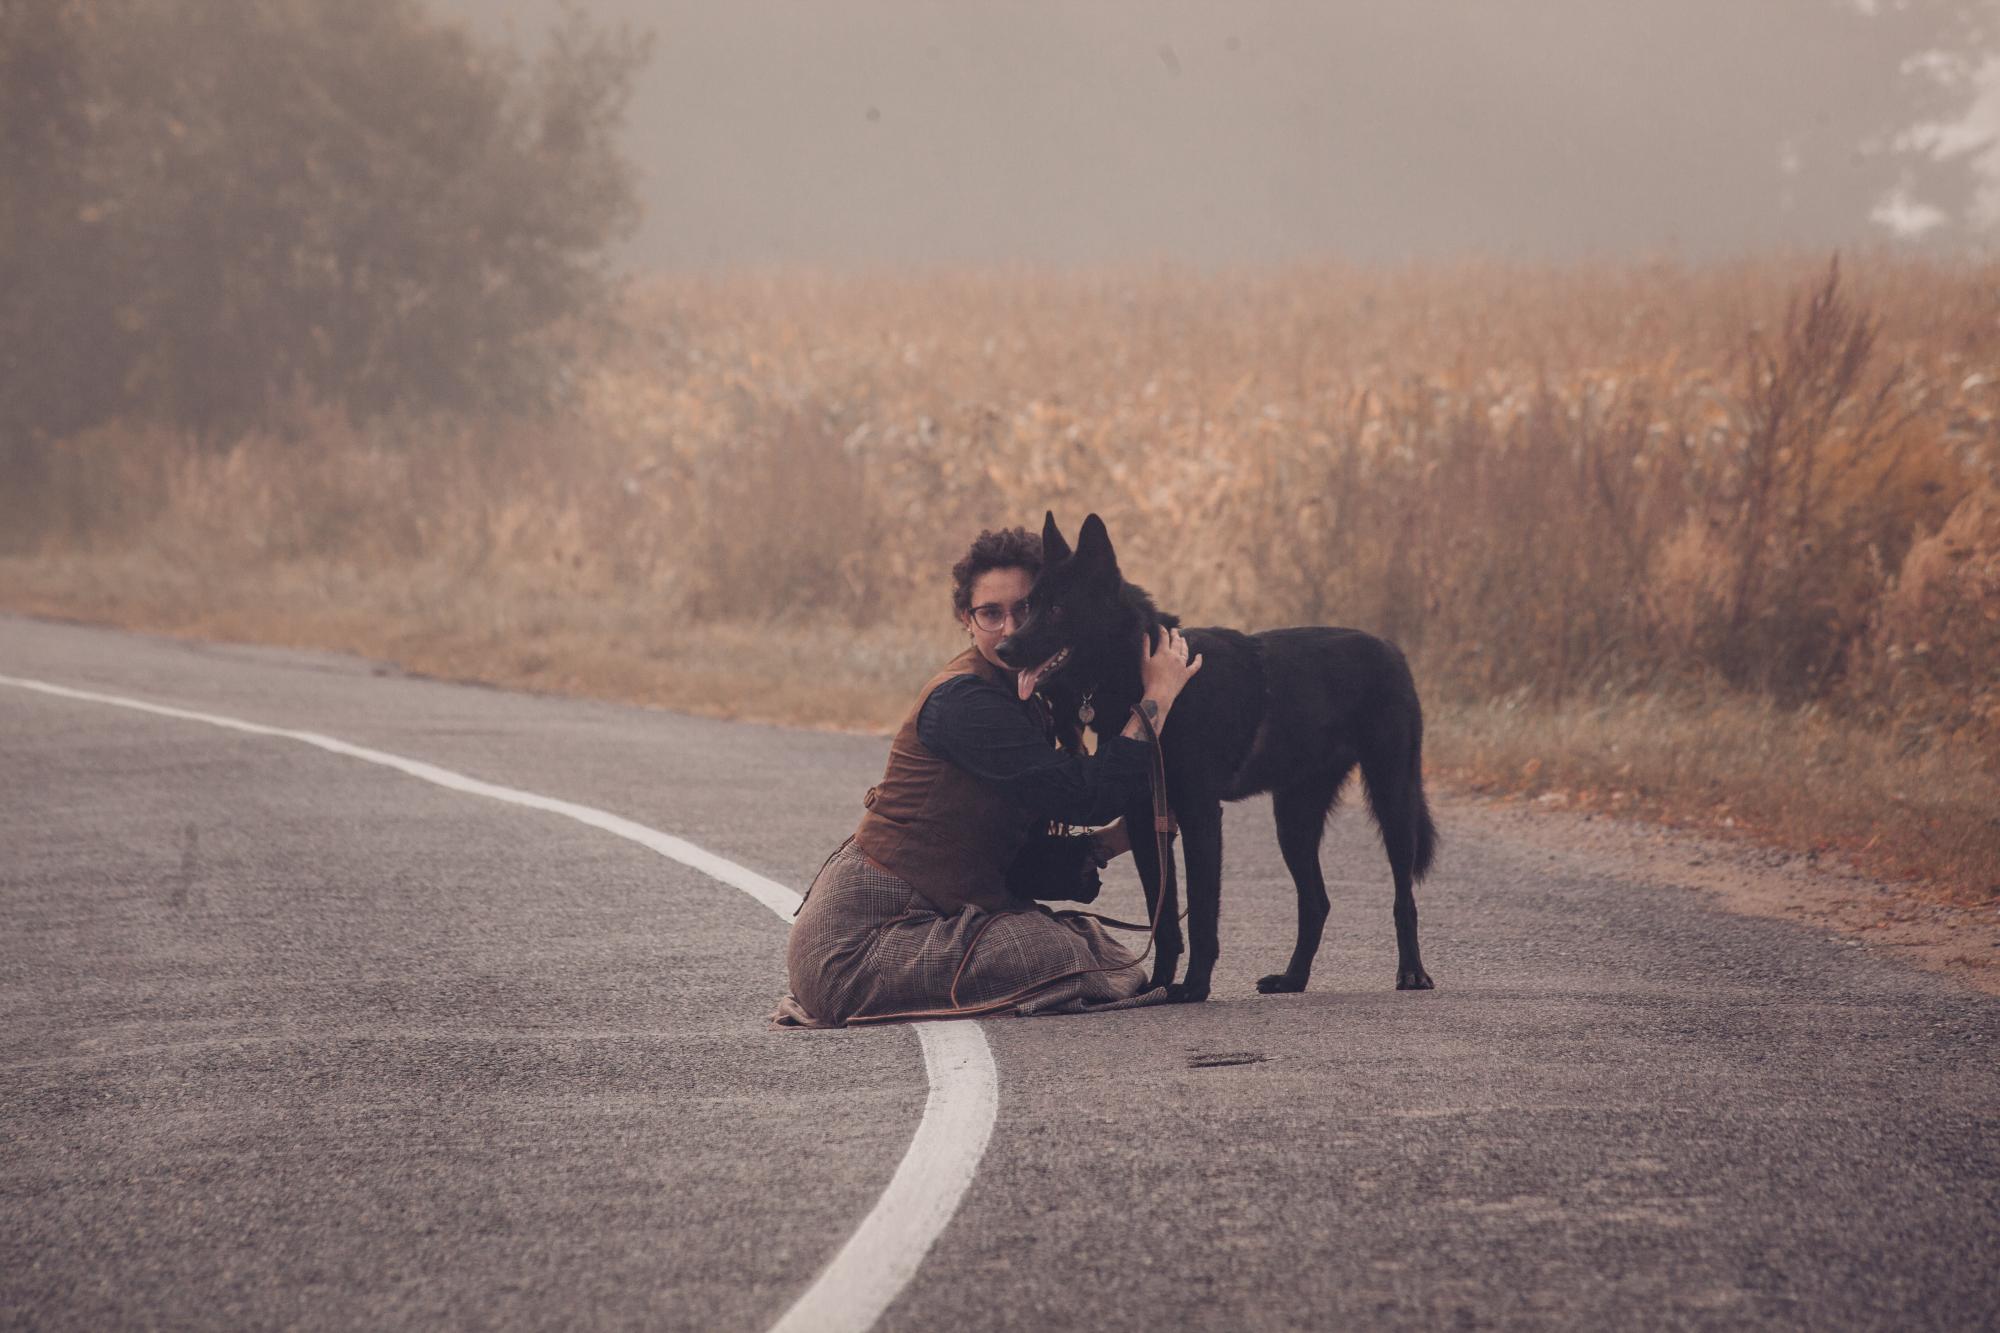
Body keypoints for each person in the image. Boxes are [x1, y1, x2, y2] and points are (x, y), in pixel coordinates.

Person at [773, 525, 1203, 1027]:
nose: (1010, 629)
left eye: (1024, 610)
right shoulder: (965, 702)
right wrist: (1156, 700)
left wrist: (1111, 842)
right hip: (857, 942)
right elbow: (1084, 796)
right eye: (990, 613)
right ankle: (841, 995)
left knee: (1097, 949)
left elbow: (1013, 864)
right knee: (1061, 957)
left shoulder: (1023, 694)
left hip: (939, 911)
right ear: (966, 619)